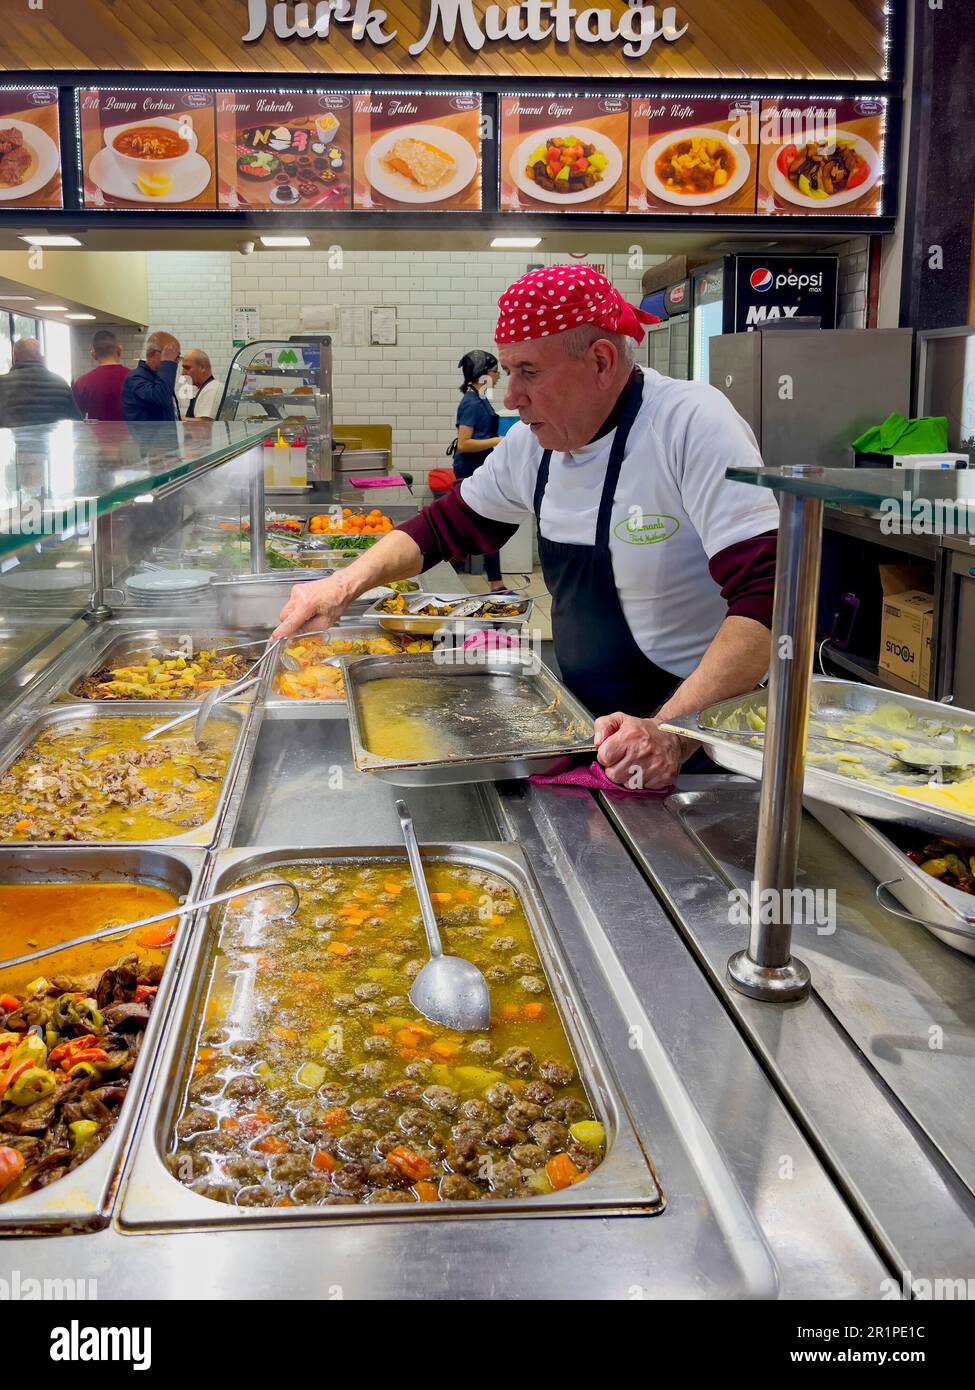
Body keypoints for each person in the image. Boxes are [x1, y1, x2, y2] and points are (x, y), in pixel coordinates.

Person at [273, 265, 779, 790]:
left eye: (529, 372)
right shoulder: (533, 445)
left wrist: (670, 733)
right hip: (591, 729)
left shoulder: (691, 423)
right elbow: (443, 528)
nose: (511, 397)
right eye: (508, 372)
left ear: (601, 361)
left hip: (704, 749)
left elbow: (770, 596)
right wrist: (341, 586)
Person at [453, 350, 510, 595]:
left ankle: (495, 583)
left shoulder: (482, 399)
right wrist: (497, 441)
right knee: (484, 524)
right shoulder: (471, 402)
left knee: (483, 526)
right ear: (483, 375)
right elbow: (464, 443)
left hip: (480, 470)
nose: (498, 377)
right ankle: (495, 583)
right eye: (495, 371)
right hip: (469, 473)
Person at [0, 338, 81, 429]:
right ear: (41, 357)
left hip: (11, 443)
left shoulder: (2, 384)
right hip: (55, 442)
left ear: (14, 357)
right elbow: (78, 424)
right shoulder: (61, 384)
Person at [121, 331, 181, 422]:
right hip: (145, 436)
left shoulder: (160, 377)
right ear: (152, 354)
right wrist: (167, 363)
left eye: (177, 356)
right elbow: (161, 398)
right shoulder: (135, 378)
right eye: (169, 354)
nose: (175, 361)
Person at [72, 328, 130, 421]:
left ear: (93, 354)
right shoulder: (135, 378)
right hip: (130, 434)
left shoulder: (82, 382)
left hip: (95, 435)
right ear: (119, 350)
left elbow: (76, 419)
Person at [181, 348, 222, 419]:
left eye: (187, 368)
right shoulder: (205, 388)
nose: (182, 373)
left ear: (202, 368)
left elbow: (204, 423)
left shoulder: (212, 389)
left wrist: (174, 419)